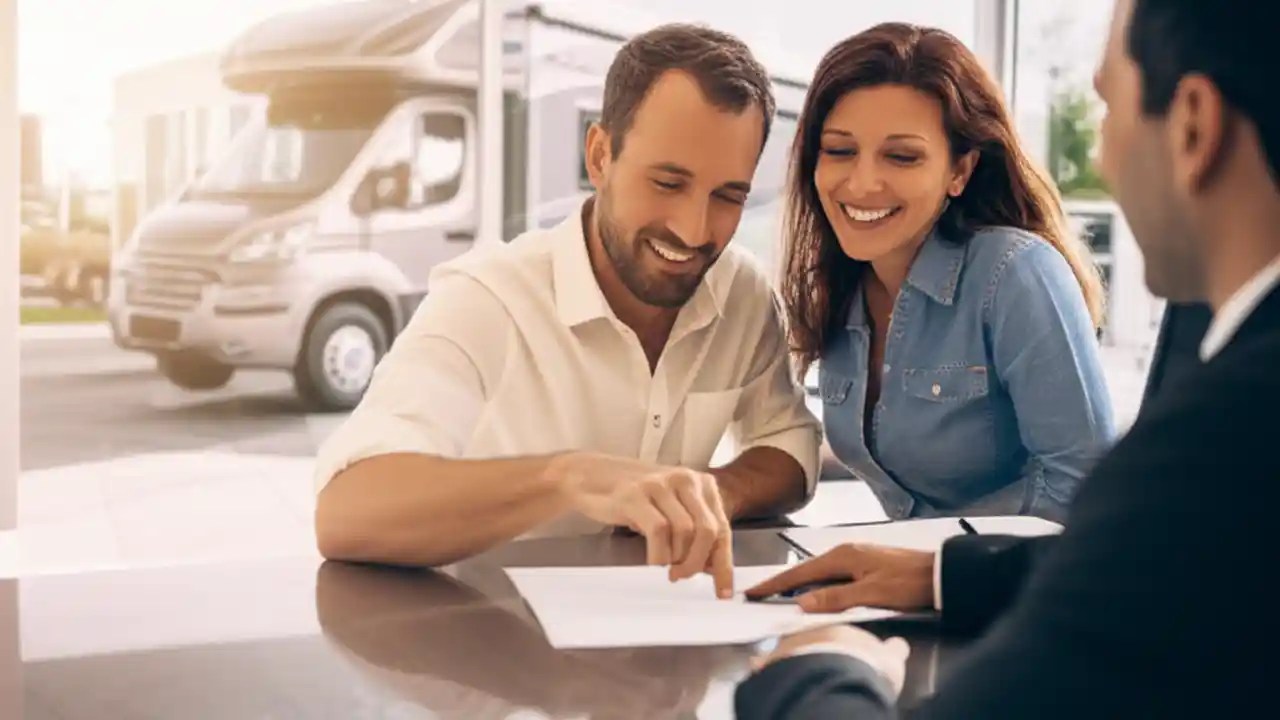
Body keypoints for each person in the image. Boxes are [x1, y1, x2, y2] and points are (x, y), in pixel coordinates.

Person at [736, 0, 1279, 716]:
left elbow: (1093, 507)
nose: (1100, 160)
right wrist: (937, 576)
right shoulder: (836, 291)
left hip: (971, 641)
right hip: (941, 607)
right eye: (839, 150)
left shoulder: (1220, 431)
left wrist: (814, 671)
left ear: (1194, 125)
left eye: (1107, 107)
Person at [312, 25, 821, 598]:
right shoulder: (487, 299)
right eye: (667, 182)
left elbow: (791, 447)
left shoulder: (741, 293)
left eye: (727, 196)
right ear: (601, 156)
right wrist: (569, 478)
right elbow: (346, 512)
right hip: (490, 647)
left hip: (660, 650)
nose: (694, 229)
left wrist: (708, 493)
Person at [780, 23, 1114, 523]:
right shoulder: (838, 290)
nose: (863, 181)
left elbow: (1085, 485)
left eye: (902, 156)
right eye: (840, 150)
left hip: (1011, 585)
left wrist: (929, 567)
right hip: (912, 582)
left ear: (959, 171)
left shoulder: (1015, 273)